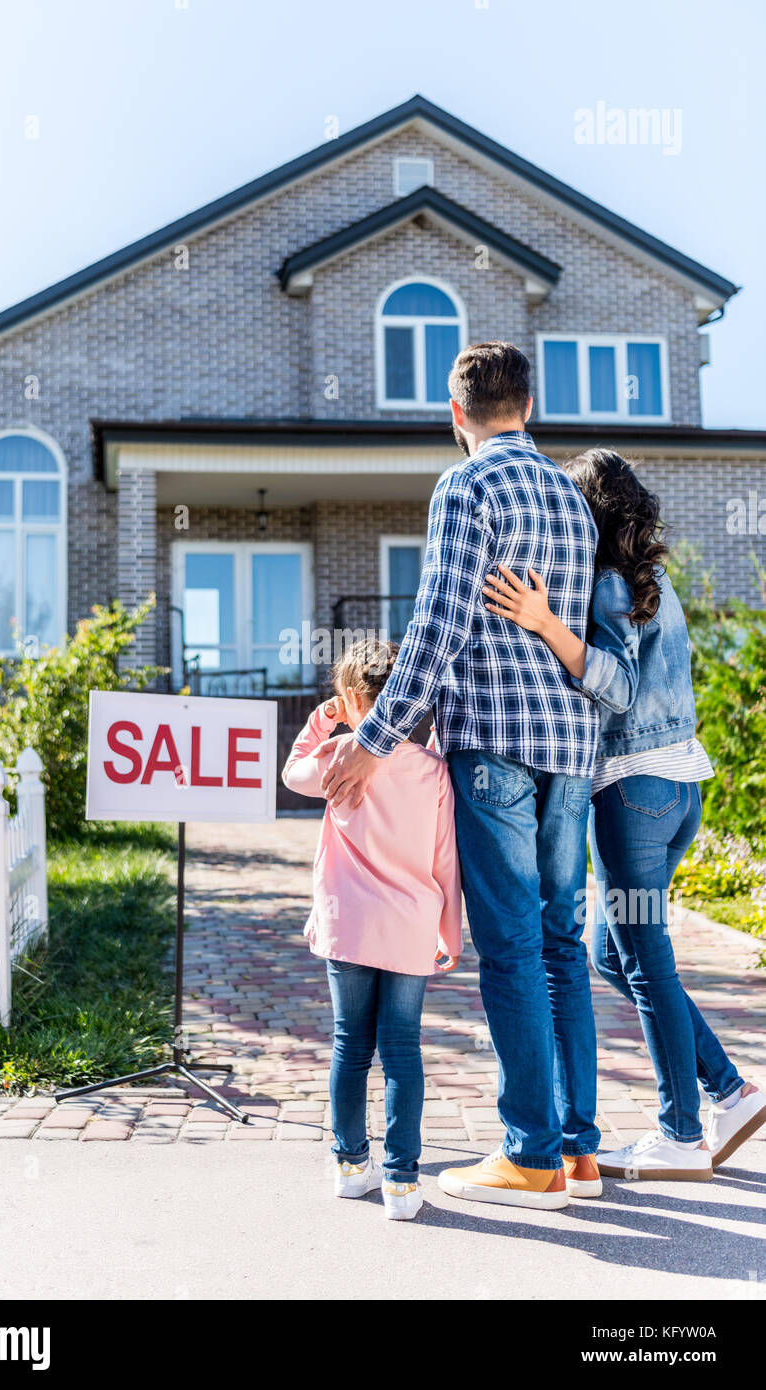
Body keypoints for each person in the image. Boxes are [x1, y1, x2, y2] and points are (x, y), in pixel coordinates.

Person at [321, 343, 603, 1210]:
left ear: (456, 416)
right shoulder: (573, 498)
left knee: (513, 949)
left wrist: (374, 735)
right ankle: (576, 1149)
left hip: (497, 751)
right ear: (529, 405)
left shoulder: (467, 486)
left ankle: (528, 1156)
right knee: (562, 947)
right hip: (573, 747)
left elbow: (438, 622)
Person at [484, 446, 766, 1181]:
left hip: (633, 797)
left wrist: (546, 623)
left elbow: (612, 682)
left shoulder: (609, 584)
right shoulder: (655, 580)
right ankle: (730, 1092)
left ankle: (678, 1134)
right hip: (676, 792)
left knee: (644, 959)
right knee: (618, 954)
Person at [282, 638, 462, 1221]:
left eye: (341, 696)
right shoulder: (433, 770)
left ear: (354, 698)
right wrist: (449, 934)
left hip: (350, 926)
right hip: (410, 928)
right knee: (403, 1050)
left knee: (350, 1044)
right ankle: (403, 1183)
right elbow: (444, 861)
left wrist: (324, 718)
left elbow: (291, 773)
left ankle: (350, 1164)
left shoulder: (337, 755)